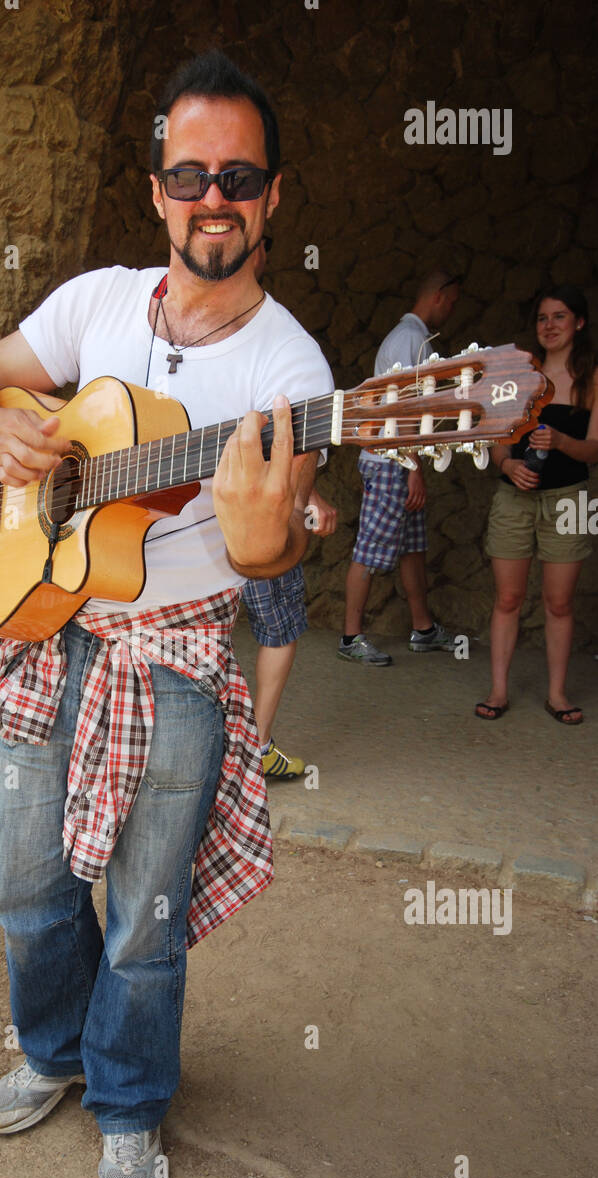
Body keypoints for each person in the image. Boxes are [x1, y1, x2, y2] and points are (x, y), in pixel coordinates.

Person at [0, 50, 334, 1178]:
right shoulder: (92, 301)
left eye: (241, 177)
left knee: (147, 916)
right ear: (157, 189)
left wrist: (273, 541)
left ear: (272, 198)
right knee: (28, 887)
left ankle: (126, 1100)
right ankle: (51, 1049)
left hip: (180, 663)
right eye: (191, 174)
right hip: (49, 631)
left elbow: (280, 548)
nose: (216, 198)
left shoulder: (290, 369)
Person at [476, 285, 598, 724]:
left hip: (571, 498)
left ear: (579, 323)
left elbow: (594, 450)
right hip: (515, 497)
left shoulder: (592, 379)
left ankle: (557, 694)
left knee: (559, 603)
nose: (549, 326)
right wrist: (508, 467)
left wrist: (563, 440)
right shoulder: (519, 374)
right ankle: (499, 690)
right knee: (507, 597)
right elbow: (497, 441)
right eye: (543, 318)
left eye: (559, 317)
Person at [240, 233, 338, 779]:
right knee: (280, 628)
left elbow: (292, 453)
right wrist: (303, 503)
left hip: (186, 512)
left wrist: (310, 497)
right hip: (257, 517)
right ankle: (253, 747)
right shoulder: (286, 345)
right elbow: (292, 449)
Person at [338, 270, 462, 665]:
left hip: (396, 459)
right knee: (370, 550)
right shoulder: (410, 340)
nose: (452, 310)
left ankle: (423, 629)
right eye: (452, 302)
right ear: (439, 296)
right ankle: (350, 637)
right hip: (391, 460)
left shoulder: (412, 338)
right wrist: (414, 468)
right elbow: (404, 408)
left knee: (411, 550)